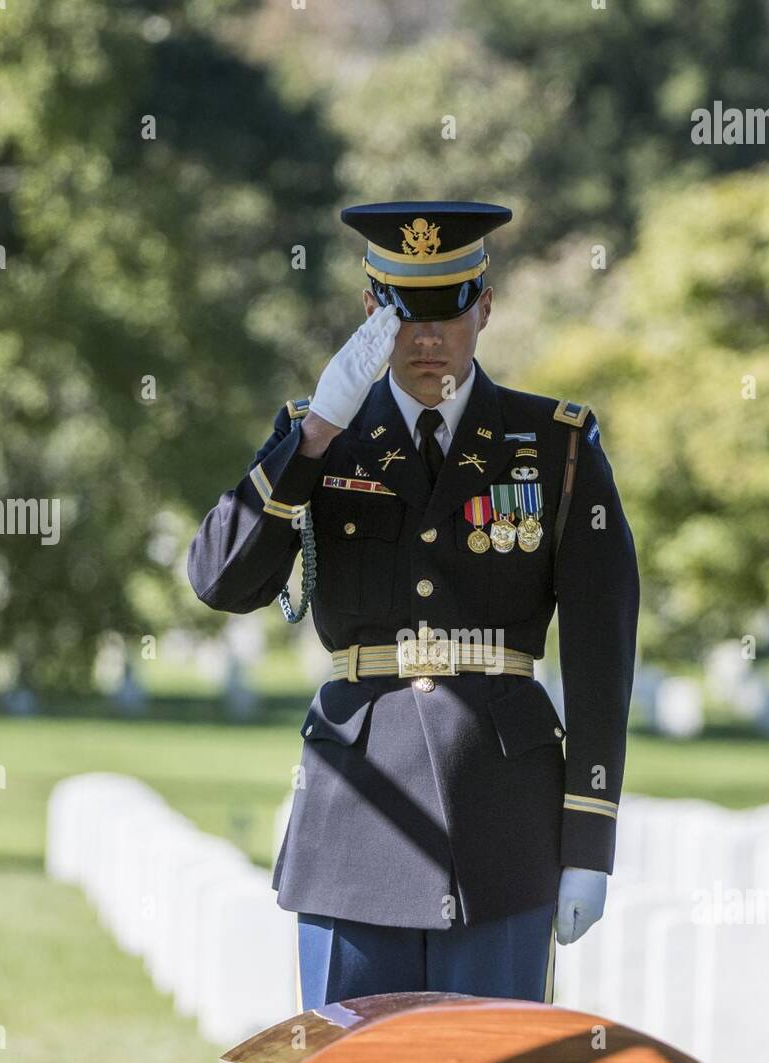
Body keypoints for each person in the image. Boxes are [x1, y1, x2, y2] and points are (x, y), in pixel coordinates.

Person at [188, 200, 640, 1008]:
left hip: (505, 825)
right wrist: (318, 433)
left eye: (449, 311)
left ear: (486, 308)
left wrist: (589, 842)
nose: (427, 338)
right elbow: (223, 580)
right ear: (370, 312)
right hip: (355, 819)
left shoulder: (557, 444)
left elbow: (604, 657)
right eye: (404, 315)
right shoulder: (321, 435)